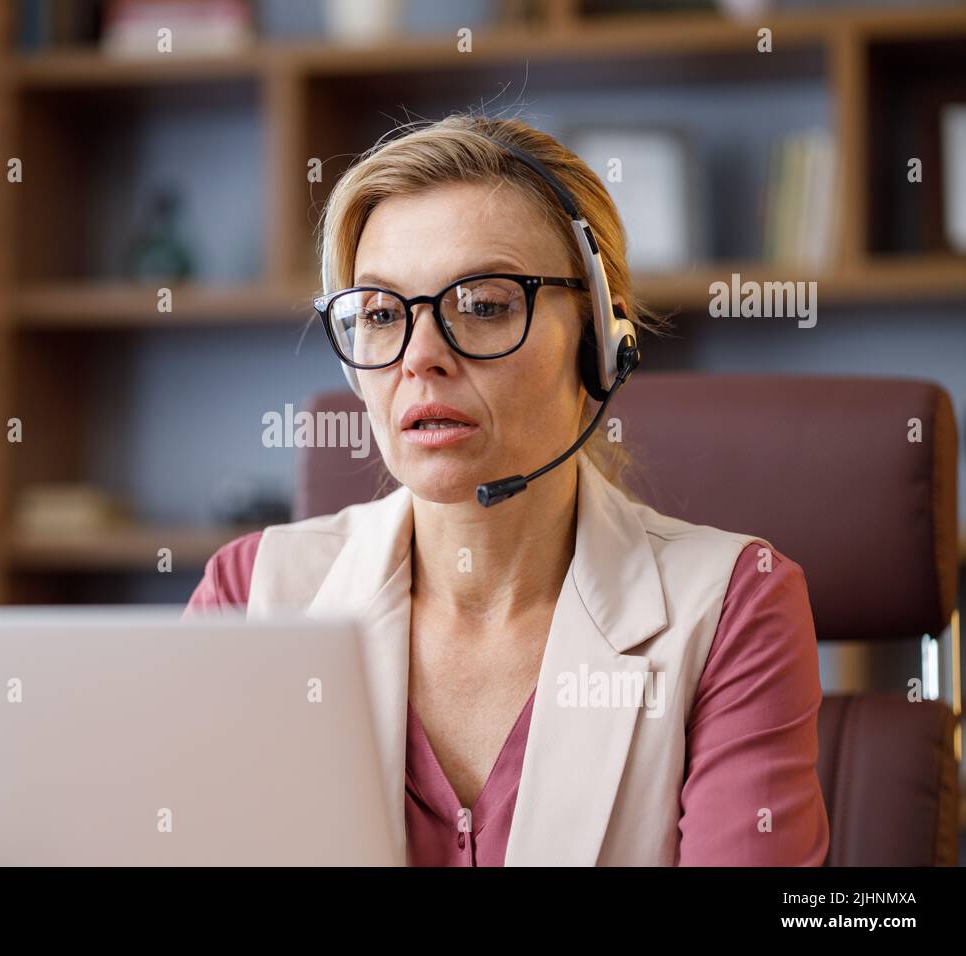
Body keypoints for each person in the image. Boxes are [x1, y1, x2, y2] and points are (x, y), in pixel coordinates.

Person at [184, 115, 829, 866]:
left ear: (599, 341)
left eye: (483, 305)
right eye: (383, 314)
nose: (420, 359)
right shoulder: (251, 594)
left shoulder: (732, 607)